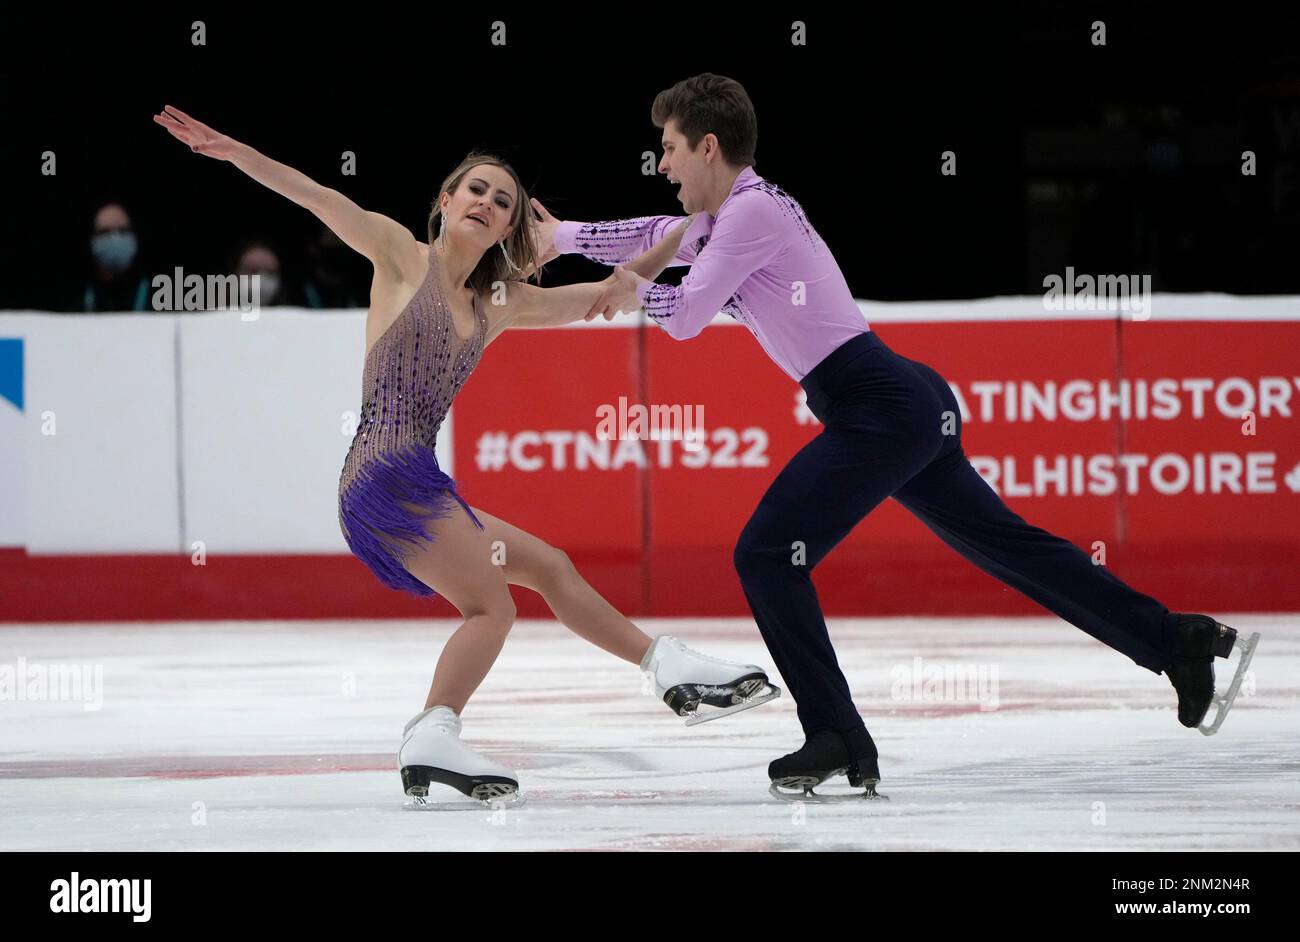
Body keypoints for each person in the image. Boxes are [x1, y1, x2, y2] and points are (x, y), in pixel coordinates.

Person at [536, 73, 1260, 801]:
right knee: (1011, 548)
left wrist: (636, 291)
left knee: (764, 553)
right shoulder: (730, 217)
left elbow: (687, 315)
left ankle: (836, 733)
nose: (661, 165)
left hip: (878, 404)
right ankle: (1177, 643)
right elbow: (649, 236)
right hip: (900, 401)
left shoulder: (750, 213)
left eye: (668, 149)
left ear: (709, 146)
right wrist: (560, 237)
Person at [154, 104, 779, 807]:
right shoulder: (399, 257)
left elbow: (611, 294)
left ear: (513, 229)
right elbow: (316, 194)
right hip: (383, 477)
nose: (487, 202)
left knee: (547, 567)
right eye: (476, 190)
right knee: (492, 608)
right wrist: (234, 148)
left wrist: (693, 231)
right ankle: (431, 734)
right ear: (445, 202)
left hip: (406, 479)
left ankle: (667, 669)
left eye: (503, 201)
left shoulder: (502, 302)